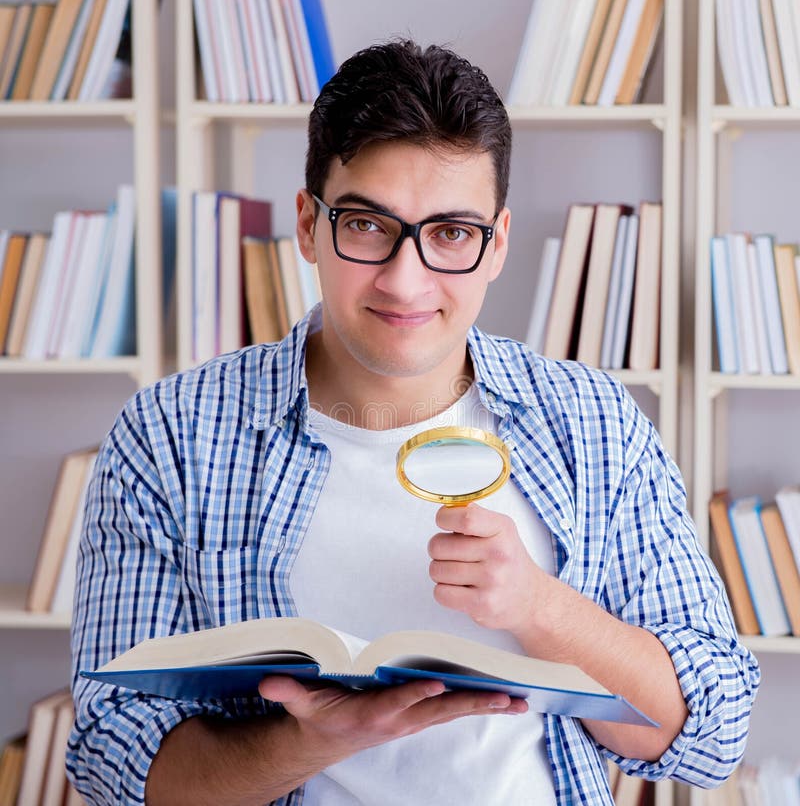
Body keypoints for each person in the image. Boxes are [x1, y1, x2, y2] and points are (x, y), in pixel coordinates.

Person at [67, 40, 760, 805]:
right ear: (308, 225)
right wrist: (310, 742)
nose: (405, 280)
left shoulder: (594, 422)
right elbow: (112, 762)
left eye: (451, 234)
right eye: (366, 225)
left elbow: (713, 734)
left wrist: (539, 608)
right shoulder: (169, 436)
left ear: (495, 244)